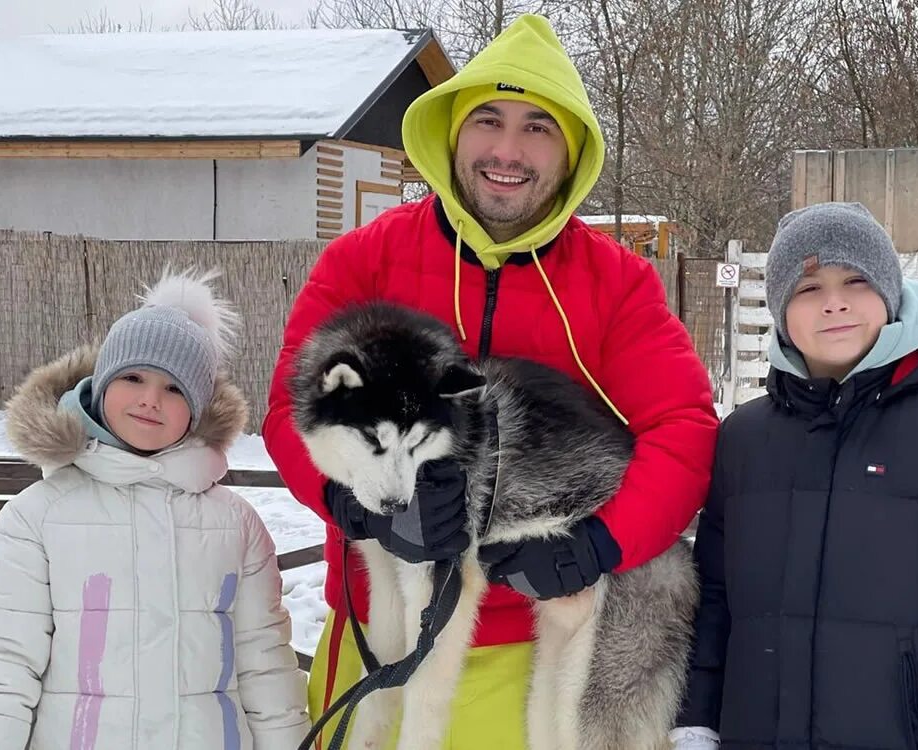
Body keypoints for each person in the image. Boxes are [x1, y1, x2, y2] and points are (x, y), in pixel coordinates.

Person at [264, 13, 717, 748]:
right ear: (452, 133)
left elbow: (684, 431)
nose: (508, 150)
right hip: (379, 629)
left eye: (538, 127)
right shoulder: (363, 260)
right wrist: (358, 509)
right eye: (488, 121)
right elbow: (292, 411)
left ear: (572, 154)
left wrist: (598, 546)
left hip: (522, 636)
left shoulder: (617, 284)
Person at [0, 269, 310, 749]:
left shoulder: (235, 524)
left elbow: (265, 664)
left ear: (198, 408)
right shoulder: (36, 517)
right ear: (101, 384)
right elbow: (3, 665)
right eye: (132, 377)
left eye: (174, 388)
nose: (150, 400)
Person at [675, 202, 918, 749]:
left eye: (856, 280)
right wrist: (696, 721)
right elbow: (712, 595)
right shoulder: (743, 438)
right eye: (809, 288)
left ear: (890, 293)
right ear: (781, 309)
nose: (834, 303)